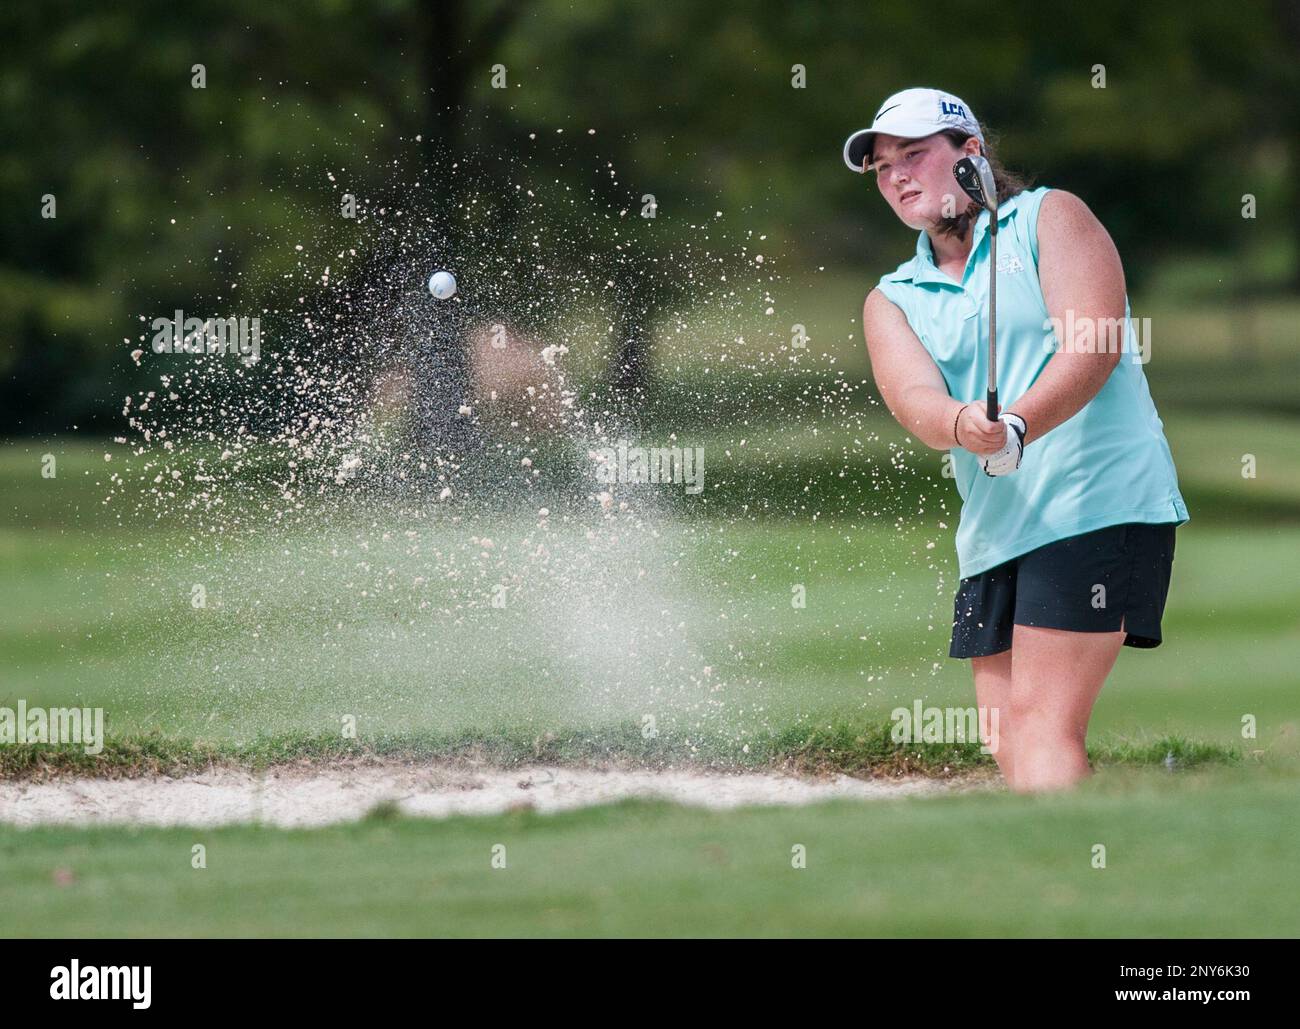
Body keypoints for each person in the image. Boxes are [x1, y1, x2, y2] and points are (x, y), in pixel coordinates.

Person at [845, 87, 1189, 793]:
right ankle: (1075, 871)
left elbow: (1091, 343)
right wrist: (963, 424)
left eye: (914, 155)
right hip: (997, 529)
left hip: (1096, 502)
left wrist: (1019, 422)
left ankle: (1076, 892)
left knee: (1040, 723)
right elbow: (915, 400)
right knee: (1006, 738)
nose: (898, 177)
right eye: (883, 168)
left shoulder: (1049, 217)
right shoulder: (893, 296)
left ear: (971, 153)